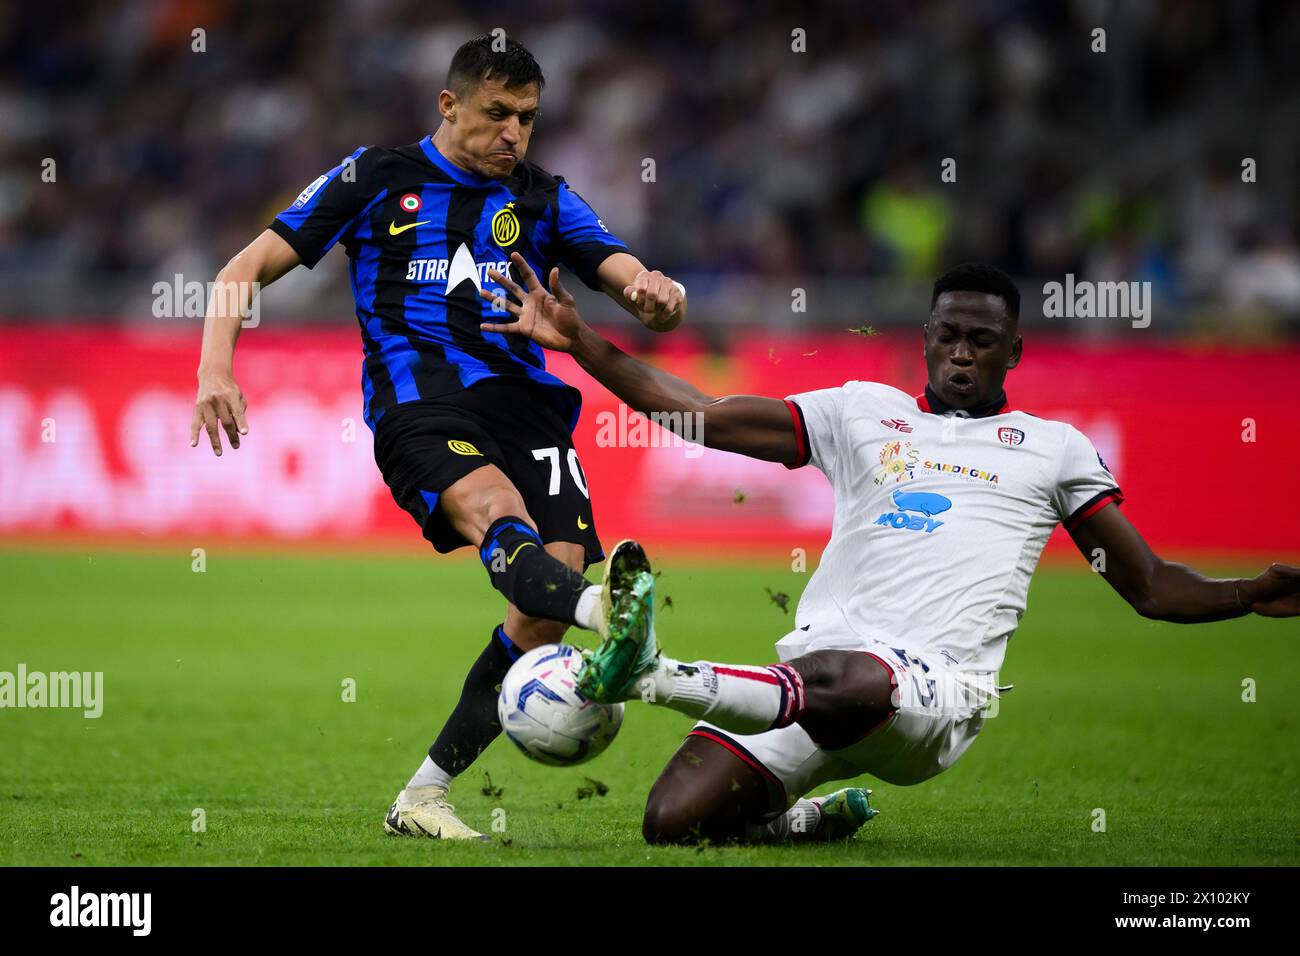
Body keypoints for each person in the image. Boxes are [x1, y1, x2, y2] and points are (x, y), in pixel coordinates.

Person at [481, 253, 1300, 844]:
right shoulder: (860, 411)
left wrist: (1253, 591)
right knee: (672, 820)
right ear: (926, 337)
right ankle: (802, 820)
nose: (963, 353)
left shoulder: (1054, 449)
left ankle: (650, 672)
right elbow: (702, 412)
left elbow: (1151, 585)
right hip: (812, 678)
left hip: (934, 693)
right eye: (949, 335)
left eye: (983, 340)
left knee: (846, 675)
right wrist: (584, 345)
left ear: (1014, 351)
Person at [190, 34, 676, 840]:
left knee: (538, 615)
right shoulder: (376, 176)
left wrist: (657, 295)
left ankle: (421, 797)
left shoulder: (543, 197)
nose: (513, 134)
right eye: (496, 114)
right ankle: (612, 616)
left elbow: (621, 268)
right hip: (421, 408)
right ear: (448, 105)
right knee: (499, 517)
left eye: (526, 118)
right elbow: (242, 269)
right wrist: (215, 368)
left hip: (529, 411)